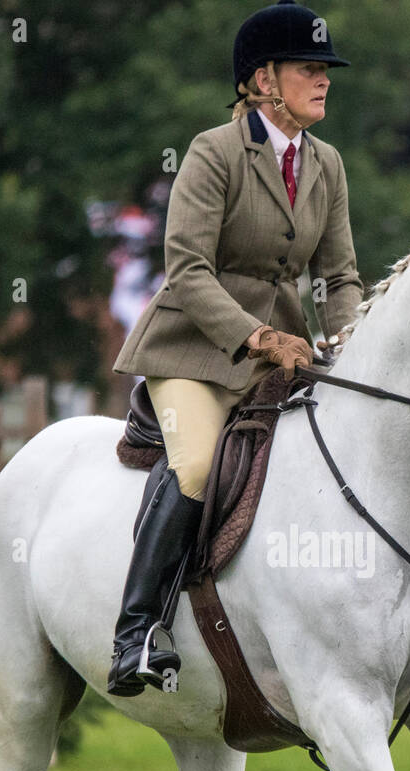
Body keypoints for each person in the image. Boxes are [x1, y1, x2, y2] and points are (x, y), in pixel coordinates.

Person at [107, 0, 363, 696]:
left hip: (286, 358)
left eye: (326, 68)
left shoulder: (326, 164)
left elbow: (339, 275)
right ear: (261, 81)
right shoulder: (212, 153)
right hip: (195, 351)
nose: (324, 79)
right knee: (195, 465)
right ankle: (135, 635)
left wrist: (347, 338)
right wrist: (257, 335)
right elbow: (186, 271)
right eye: (309, 68)